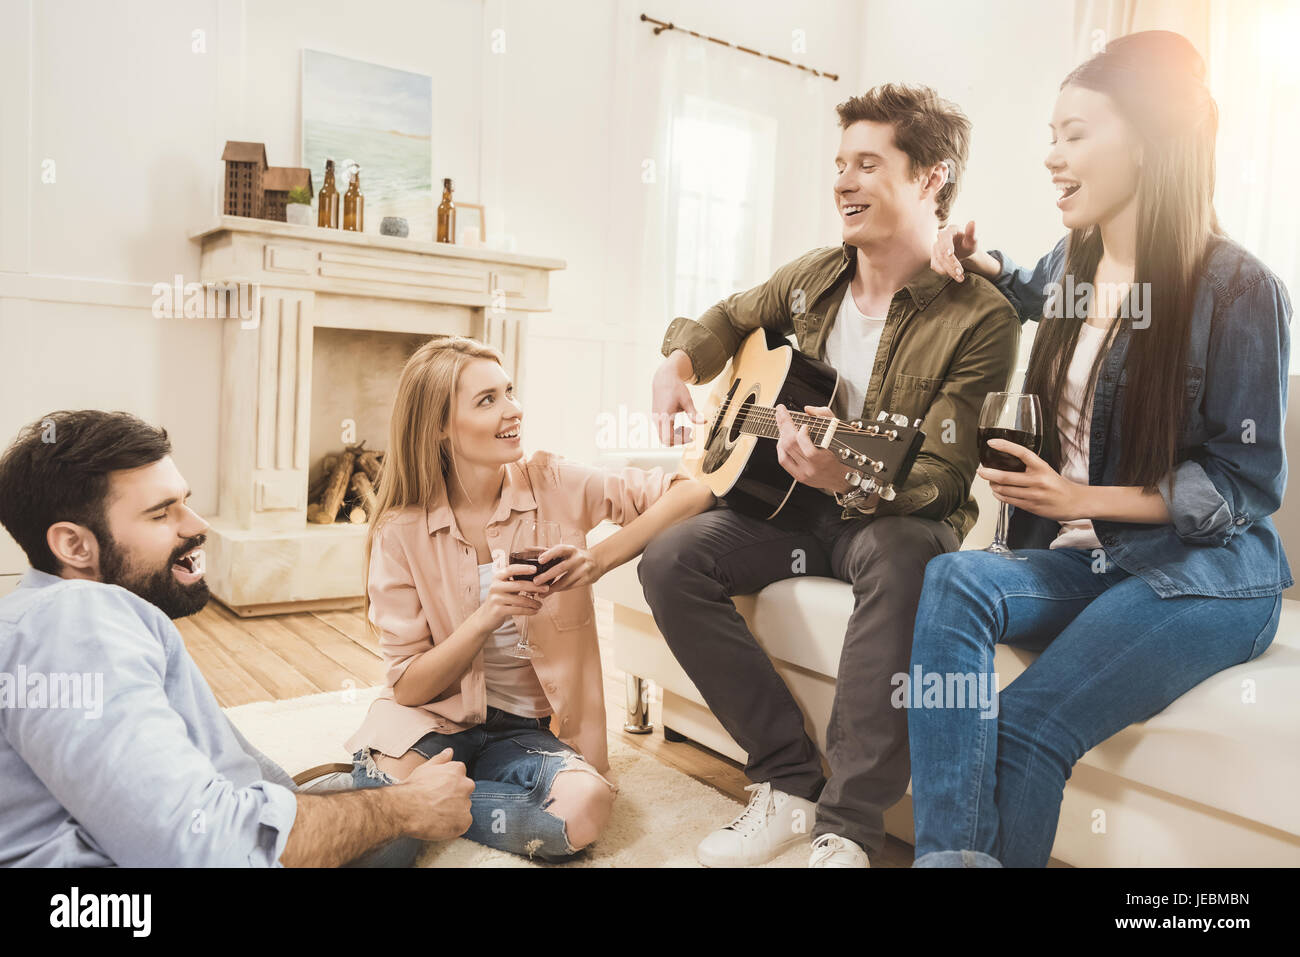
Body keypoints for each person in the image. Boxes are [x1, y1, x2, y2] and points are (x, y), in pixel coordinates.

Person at [910, 30, 1291, 867]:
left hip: (1201, 574)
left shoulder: (1239, 289)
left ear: (1152, 145)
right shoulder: (1077, 258)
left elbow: (1245, 483)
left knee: (1026, 727)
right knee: (954, 577)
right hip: (1091, 560)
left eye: (1075, 133)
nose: (1051, 156)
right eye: (1051, 135)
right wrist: (981, 259)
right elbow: (1031, 286)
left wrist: (1084, 501)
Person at [640, 83, 1020, 867]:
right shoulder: (815, 275)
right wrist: (676, 363)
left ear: (930, 179)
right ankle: (786, 783)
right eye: (839, 164)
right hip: (790, 509)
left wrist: (844, 474)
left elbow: (945, 478)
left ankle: (845, 827)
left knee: (909, 551)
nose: (842, 182)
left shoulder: (980, 315)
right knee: (671, 558)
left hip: (885, 516)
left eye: (867, 164)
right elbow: (729, 318)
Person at [0, 409, 474, 867]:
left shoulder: (52, 615)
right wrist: (402, 808)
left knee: (409, 772)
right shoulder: (74, 620)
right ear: (74, 545)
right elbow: (205, 848)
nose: (198, 525)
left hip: (244, 815)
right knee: (420, 793)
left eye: (185, 501)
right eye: (162, 514)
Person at [344, 336, 715, 861]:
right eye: (487, 400)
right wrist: (486, 616)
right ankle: (404, 798)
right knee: (382, 850)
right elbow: (408, 687)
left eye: (509, 392)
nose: (513, 410)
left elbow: (692, 490)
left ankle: (421, 804)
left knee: (583, 809)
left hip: (530, 731)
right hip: (435, 717)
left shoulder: (554, 483)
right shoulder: (400, 531)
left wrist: (600, 559)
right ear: (438, 428)